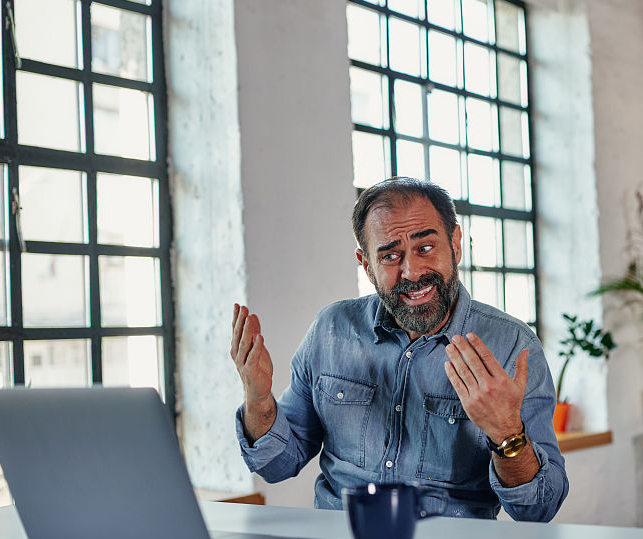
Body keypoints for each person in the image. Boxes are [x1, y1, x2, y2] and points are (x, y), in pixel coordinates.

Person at [229, 177, 568, 521]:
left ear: (455, 243)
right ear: (366, 265)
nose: (412, 272)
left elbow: (540, 507)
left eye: (425, 248)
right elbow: (276, 465)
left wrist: (507, 433)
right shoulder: (331, 330)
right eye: (390, 255)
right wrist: (258, 402)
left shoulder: (511, 346)